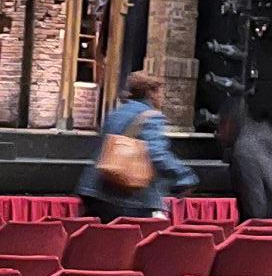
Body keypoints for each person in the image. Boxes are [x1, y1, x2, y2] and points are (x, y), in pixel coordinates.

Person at [77, 71, 200, 219]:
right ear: (151, 93)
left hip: (95, 188)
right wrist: (185, 176)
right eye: (160, 92)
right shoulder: (151, 117)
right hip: (128, 195)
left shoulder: (115, 113)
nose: (161, 97)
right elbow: (157, 153)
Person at [217, 101, 272, 220]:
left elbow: (255, 210)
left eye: (219, 127)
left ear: (228, 123)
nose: (219, 134)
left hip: (266, 229)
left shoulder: (243, 152)